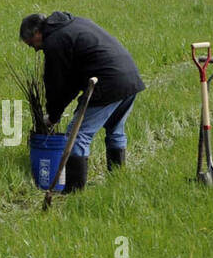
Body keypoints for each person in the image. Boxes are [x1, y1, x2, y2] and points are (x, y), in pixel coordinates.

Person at [19, 11, 145, 191]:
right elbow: (72, 82)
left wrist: (53, 115)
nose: (35, 49)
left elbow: (55, 85)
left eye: (32, 44)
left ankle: (73, 193)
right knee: (115, 130)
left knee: (76, 137)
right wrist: (56, 114)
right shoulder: (72, 25)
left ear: (37, 33)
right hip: (129, 77)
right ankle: (118, 184)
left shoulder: (54, 43)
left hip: (107, 83)